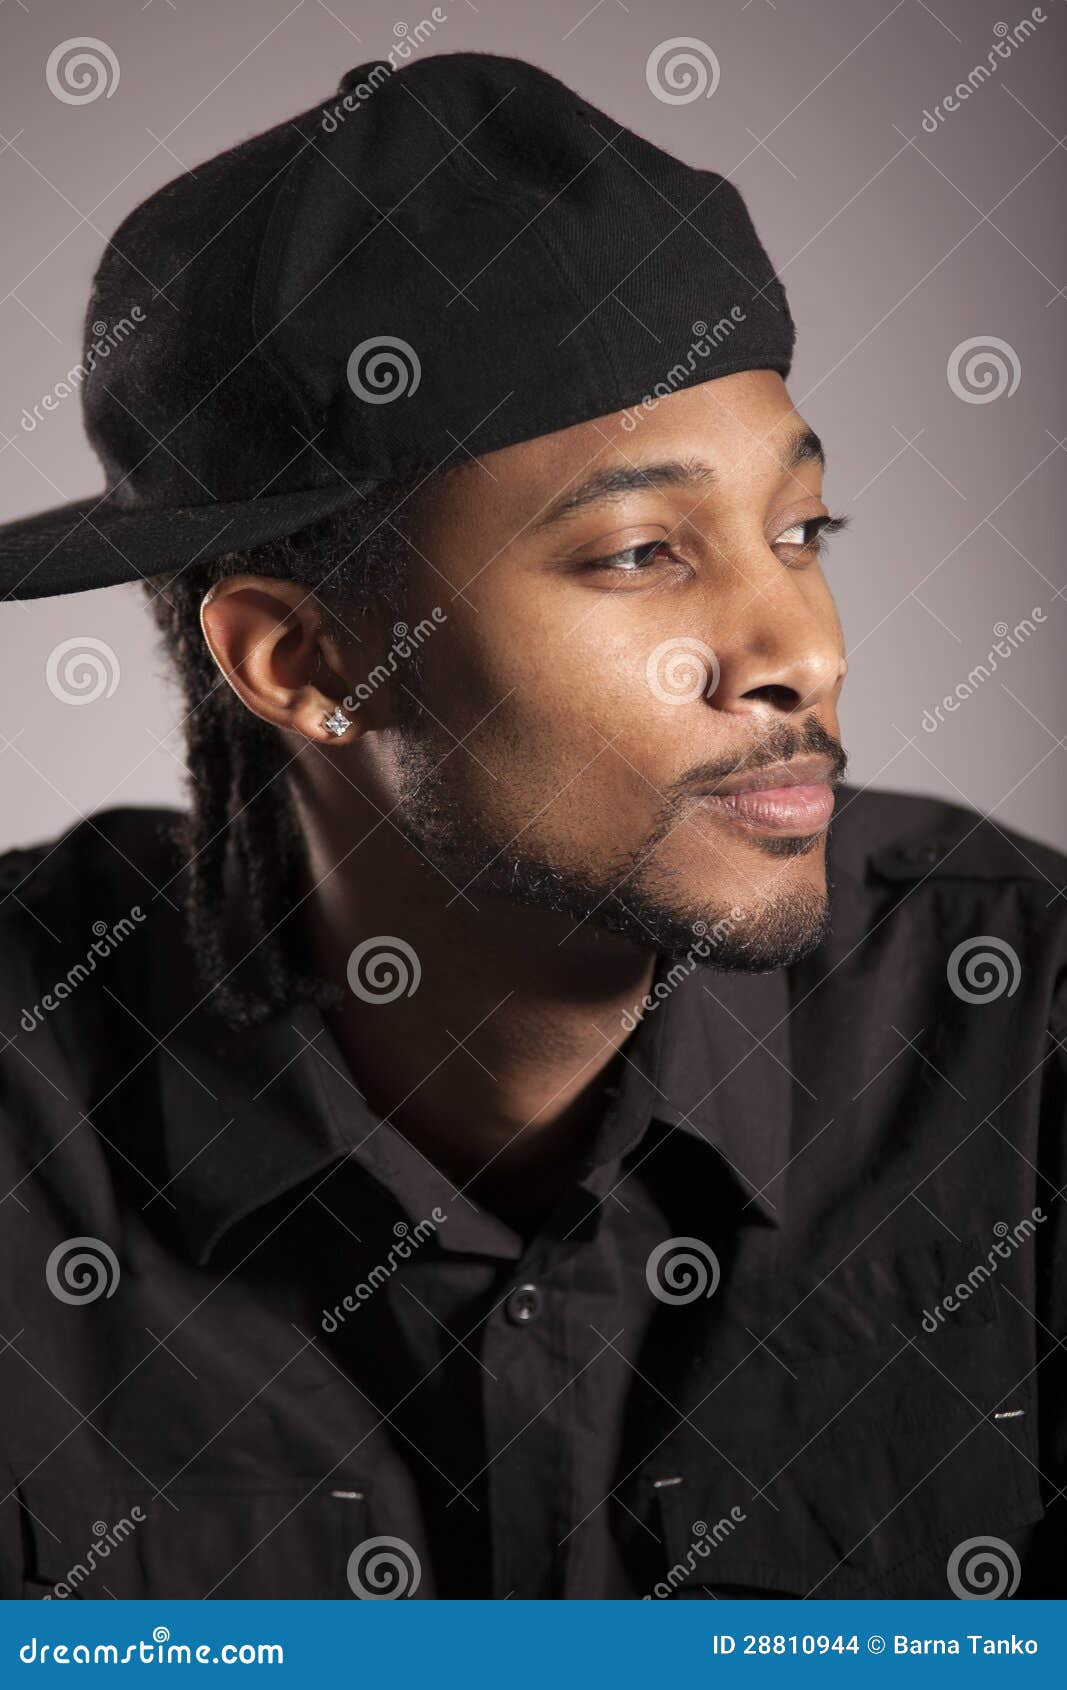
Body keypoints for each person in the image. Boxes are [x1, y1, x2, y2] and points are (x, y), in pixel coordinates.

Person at [0, 50, 1063, 1602]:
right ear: (305, 664)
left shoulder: (1022, 1042)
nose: (806, 649)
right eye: (641, 552)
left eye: (801, 530)